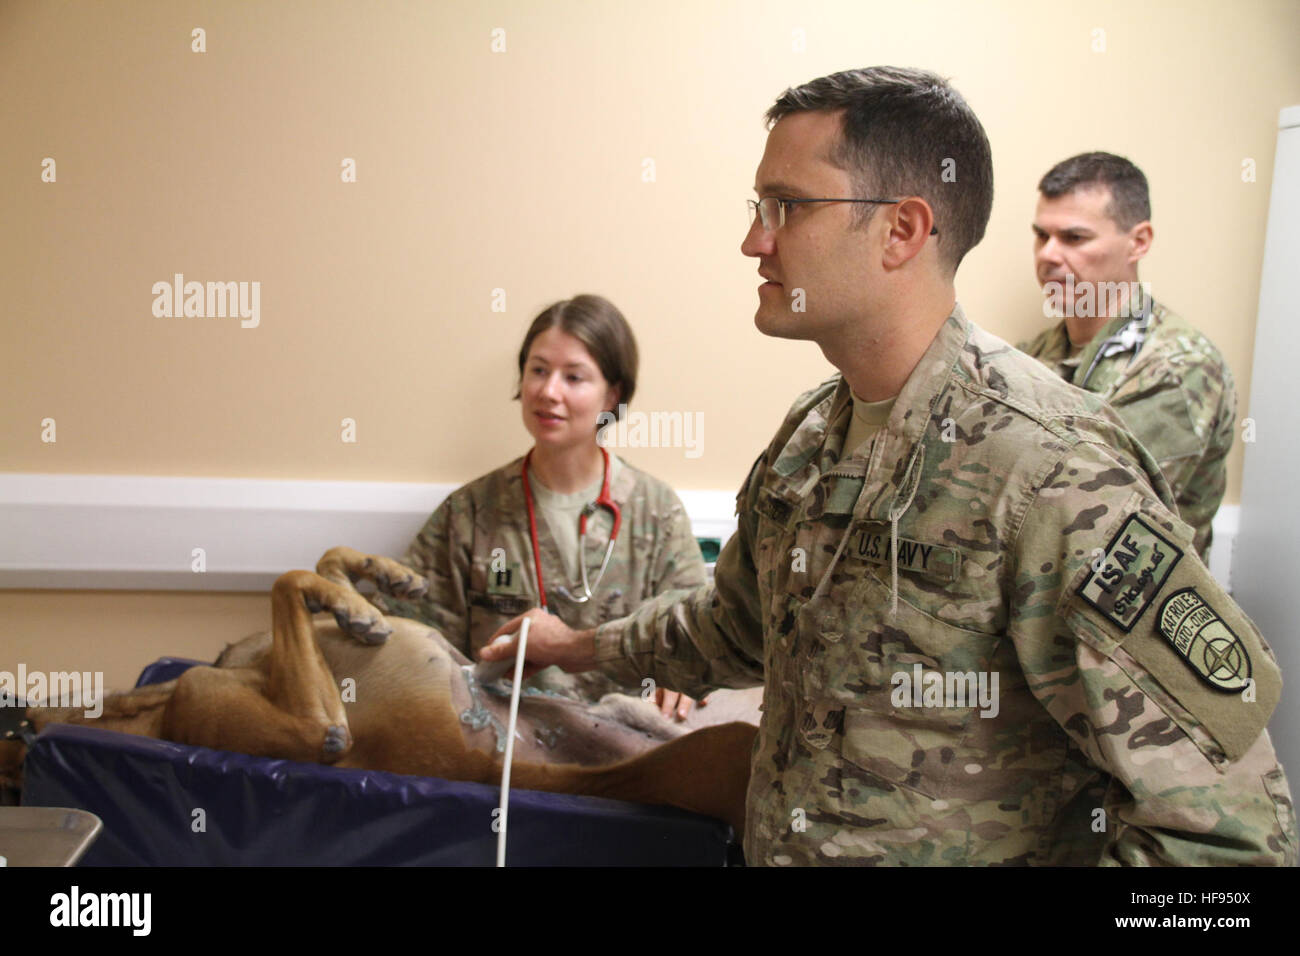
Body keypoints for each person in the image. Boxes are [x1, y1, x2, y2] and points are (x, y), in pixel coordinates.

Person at [479, 68, 1296, 866]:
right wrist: (574, 646)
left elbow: (1228, 834)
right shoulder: (808, 439)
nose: (753, 240)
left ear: (901, 230)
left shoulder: (1053, 469)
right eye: (758, 208)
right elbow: (729, 631)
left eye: (786, 208)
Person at [384, 294, 708, 714]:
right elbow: (413, 643)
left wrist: (683, 679)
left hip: (623, 753)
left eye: (573, 377)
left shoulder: (656, 512)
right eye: (537, 371)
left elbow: (695, 639)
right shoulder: (471, 513)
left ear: (612, 395)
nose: (548, 391)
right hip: (498, 753)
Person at [1018, 152, 1237, 561]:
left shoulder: (1177, 366)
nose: (1047, 254)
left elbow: (1089, 512)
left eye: (1073, 238)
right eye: (1041, 236)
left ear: (1138, 242)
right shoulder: (1036, 352)